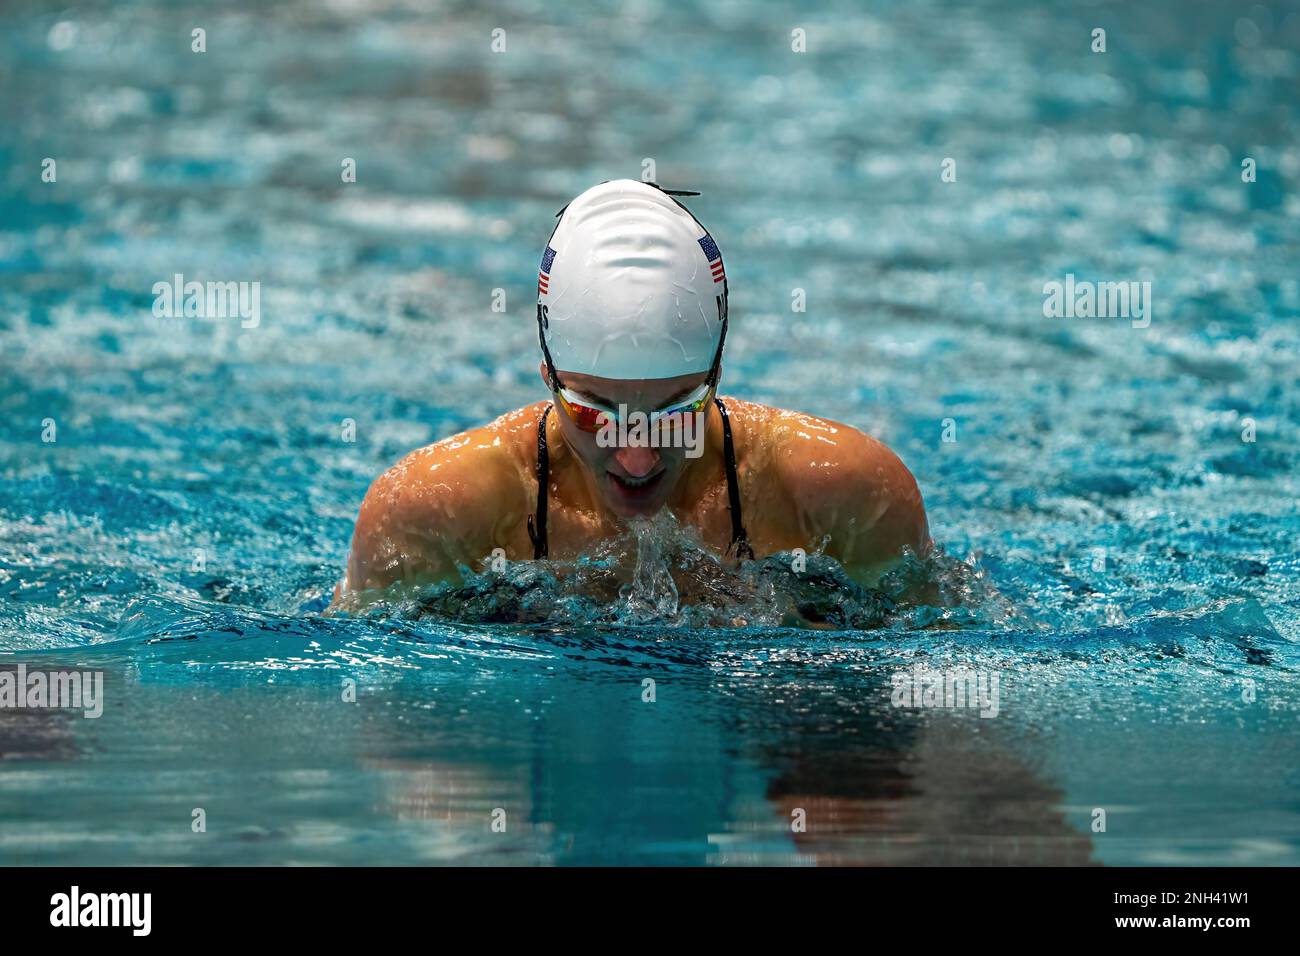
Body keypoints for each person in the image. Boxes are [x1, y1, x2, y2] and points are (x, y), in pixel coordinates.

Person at [332, 180, 929, 607]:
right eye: (596, 412)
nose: (637, 457)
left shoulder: (841, 494)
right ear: (548, 373)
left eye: (675, 411)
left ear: (715, 375)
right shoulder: (433, 512)